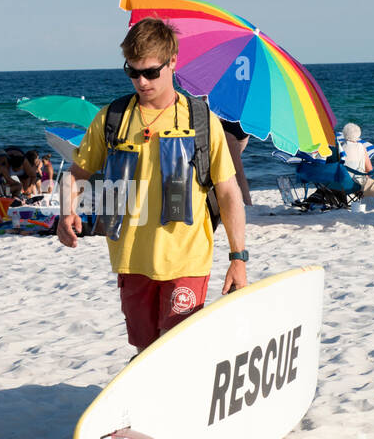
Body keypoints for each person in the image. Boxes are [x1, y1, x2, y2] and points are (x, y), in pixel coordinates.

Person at [57, 17, 247, 353]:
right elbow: (76, 174)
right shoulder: (112, 119)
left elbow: (228, 191)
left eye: (150, 72)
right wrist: (66, 211)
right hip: (132, 262)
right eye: (132, 72)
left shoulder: (201, 120)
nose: (141, 82)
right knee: (145, 351)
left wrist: (238, 257)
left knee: (177, 350)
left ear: (173, 61)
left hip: (187, 262)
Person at [220, 118, 253, 206]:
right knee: (231, 167)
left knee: (236, 171)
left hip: (228, 128)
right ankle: (244, 202)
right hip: (243, 126)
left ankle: (247, 204)